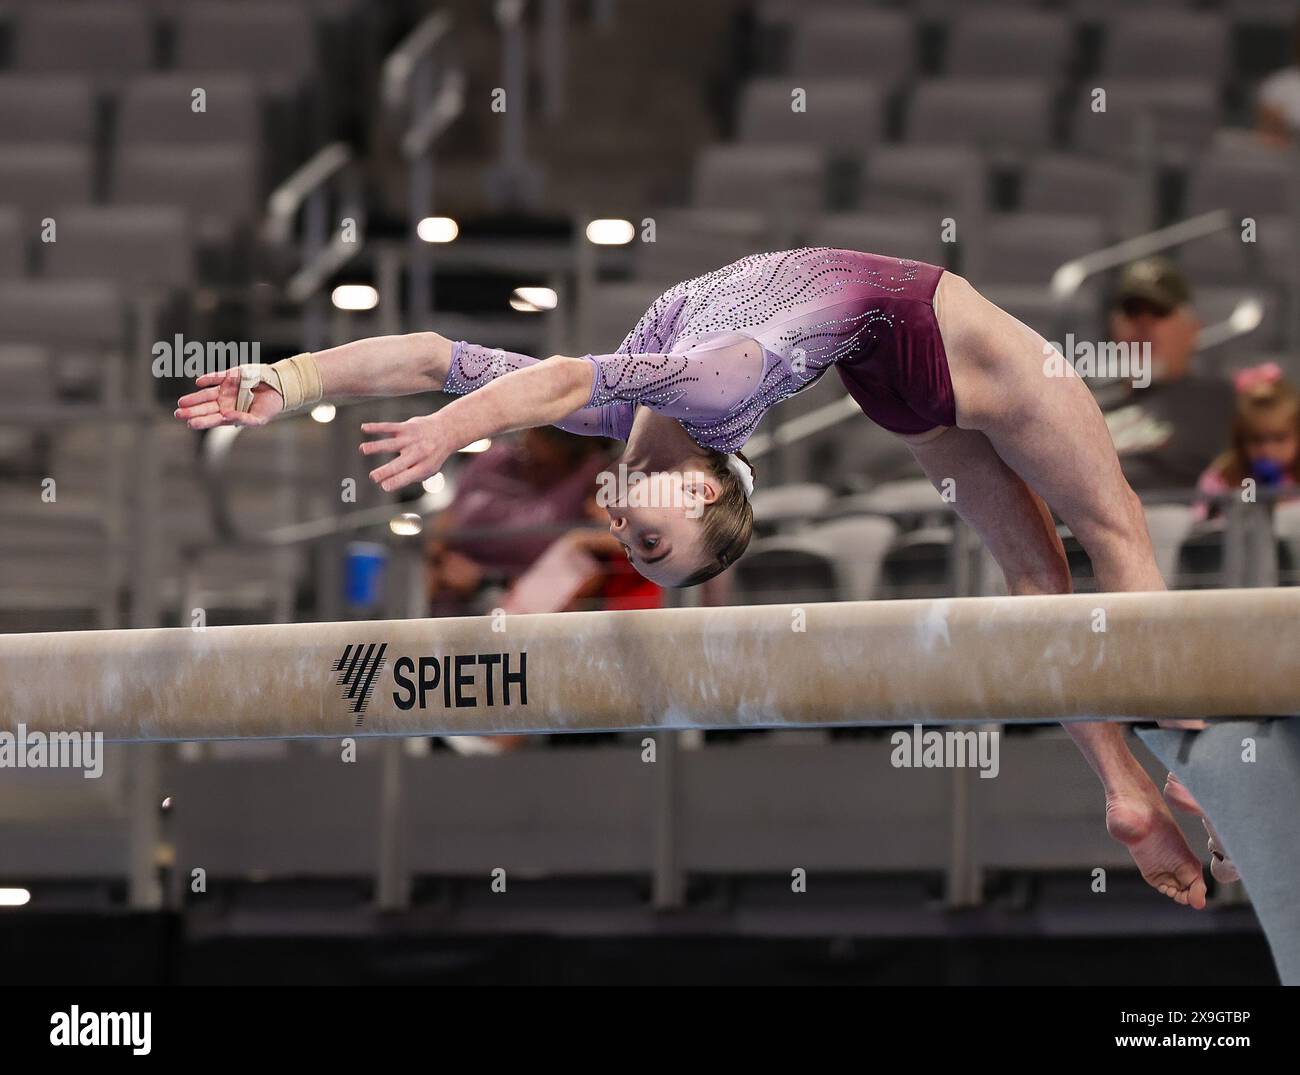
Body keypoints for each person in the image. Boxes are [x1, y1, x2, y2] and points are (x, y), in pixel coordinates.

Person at [176, 247, 1217, 908]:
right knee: (1107, 526)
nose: (629, 541)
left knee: (1049, 578)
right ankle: (1167, 761)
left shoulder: (631, 409)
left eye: (640, 556)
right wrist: (436, 423)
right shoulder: (705, 390)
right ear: (704, 489)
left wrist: (289, 377)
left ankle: (1130, 791)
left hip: (898, 376)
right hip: (951, 337)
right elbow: (525, 375)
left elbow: (434, 356)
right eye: (652, 547)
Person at [1101, 257, 1236, 494]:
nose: (1144, 323)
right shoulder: (1082, 401)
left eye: (1159, 312)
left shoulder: (1225, 402)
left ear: (1193, 329)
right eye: (1132, 312)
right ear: (1114, 326)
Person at [1194, 363, 1300, 521]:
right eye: (1256, 440)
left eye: (1279, 438)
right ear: (1240, 440)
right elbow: (1201, 527)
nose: (1267, 450)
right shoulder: (1222, 478)